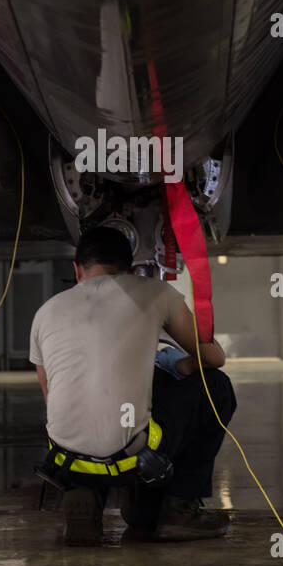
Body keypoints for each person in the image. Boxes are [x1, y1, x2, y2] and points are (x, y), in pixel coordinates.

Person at [30, 226, 235, 546]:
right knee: (216, 386)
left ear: (77, 268)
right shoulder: (154, 291)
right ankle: (180, 508)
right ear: (129, 267)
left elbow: (52, 393)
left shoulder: (45, 312)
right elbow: (215, 358)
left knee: (139, 511)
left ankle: (85, 493)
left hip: (64, 458)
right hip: (131, 457)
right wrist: (176, 362)